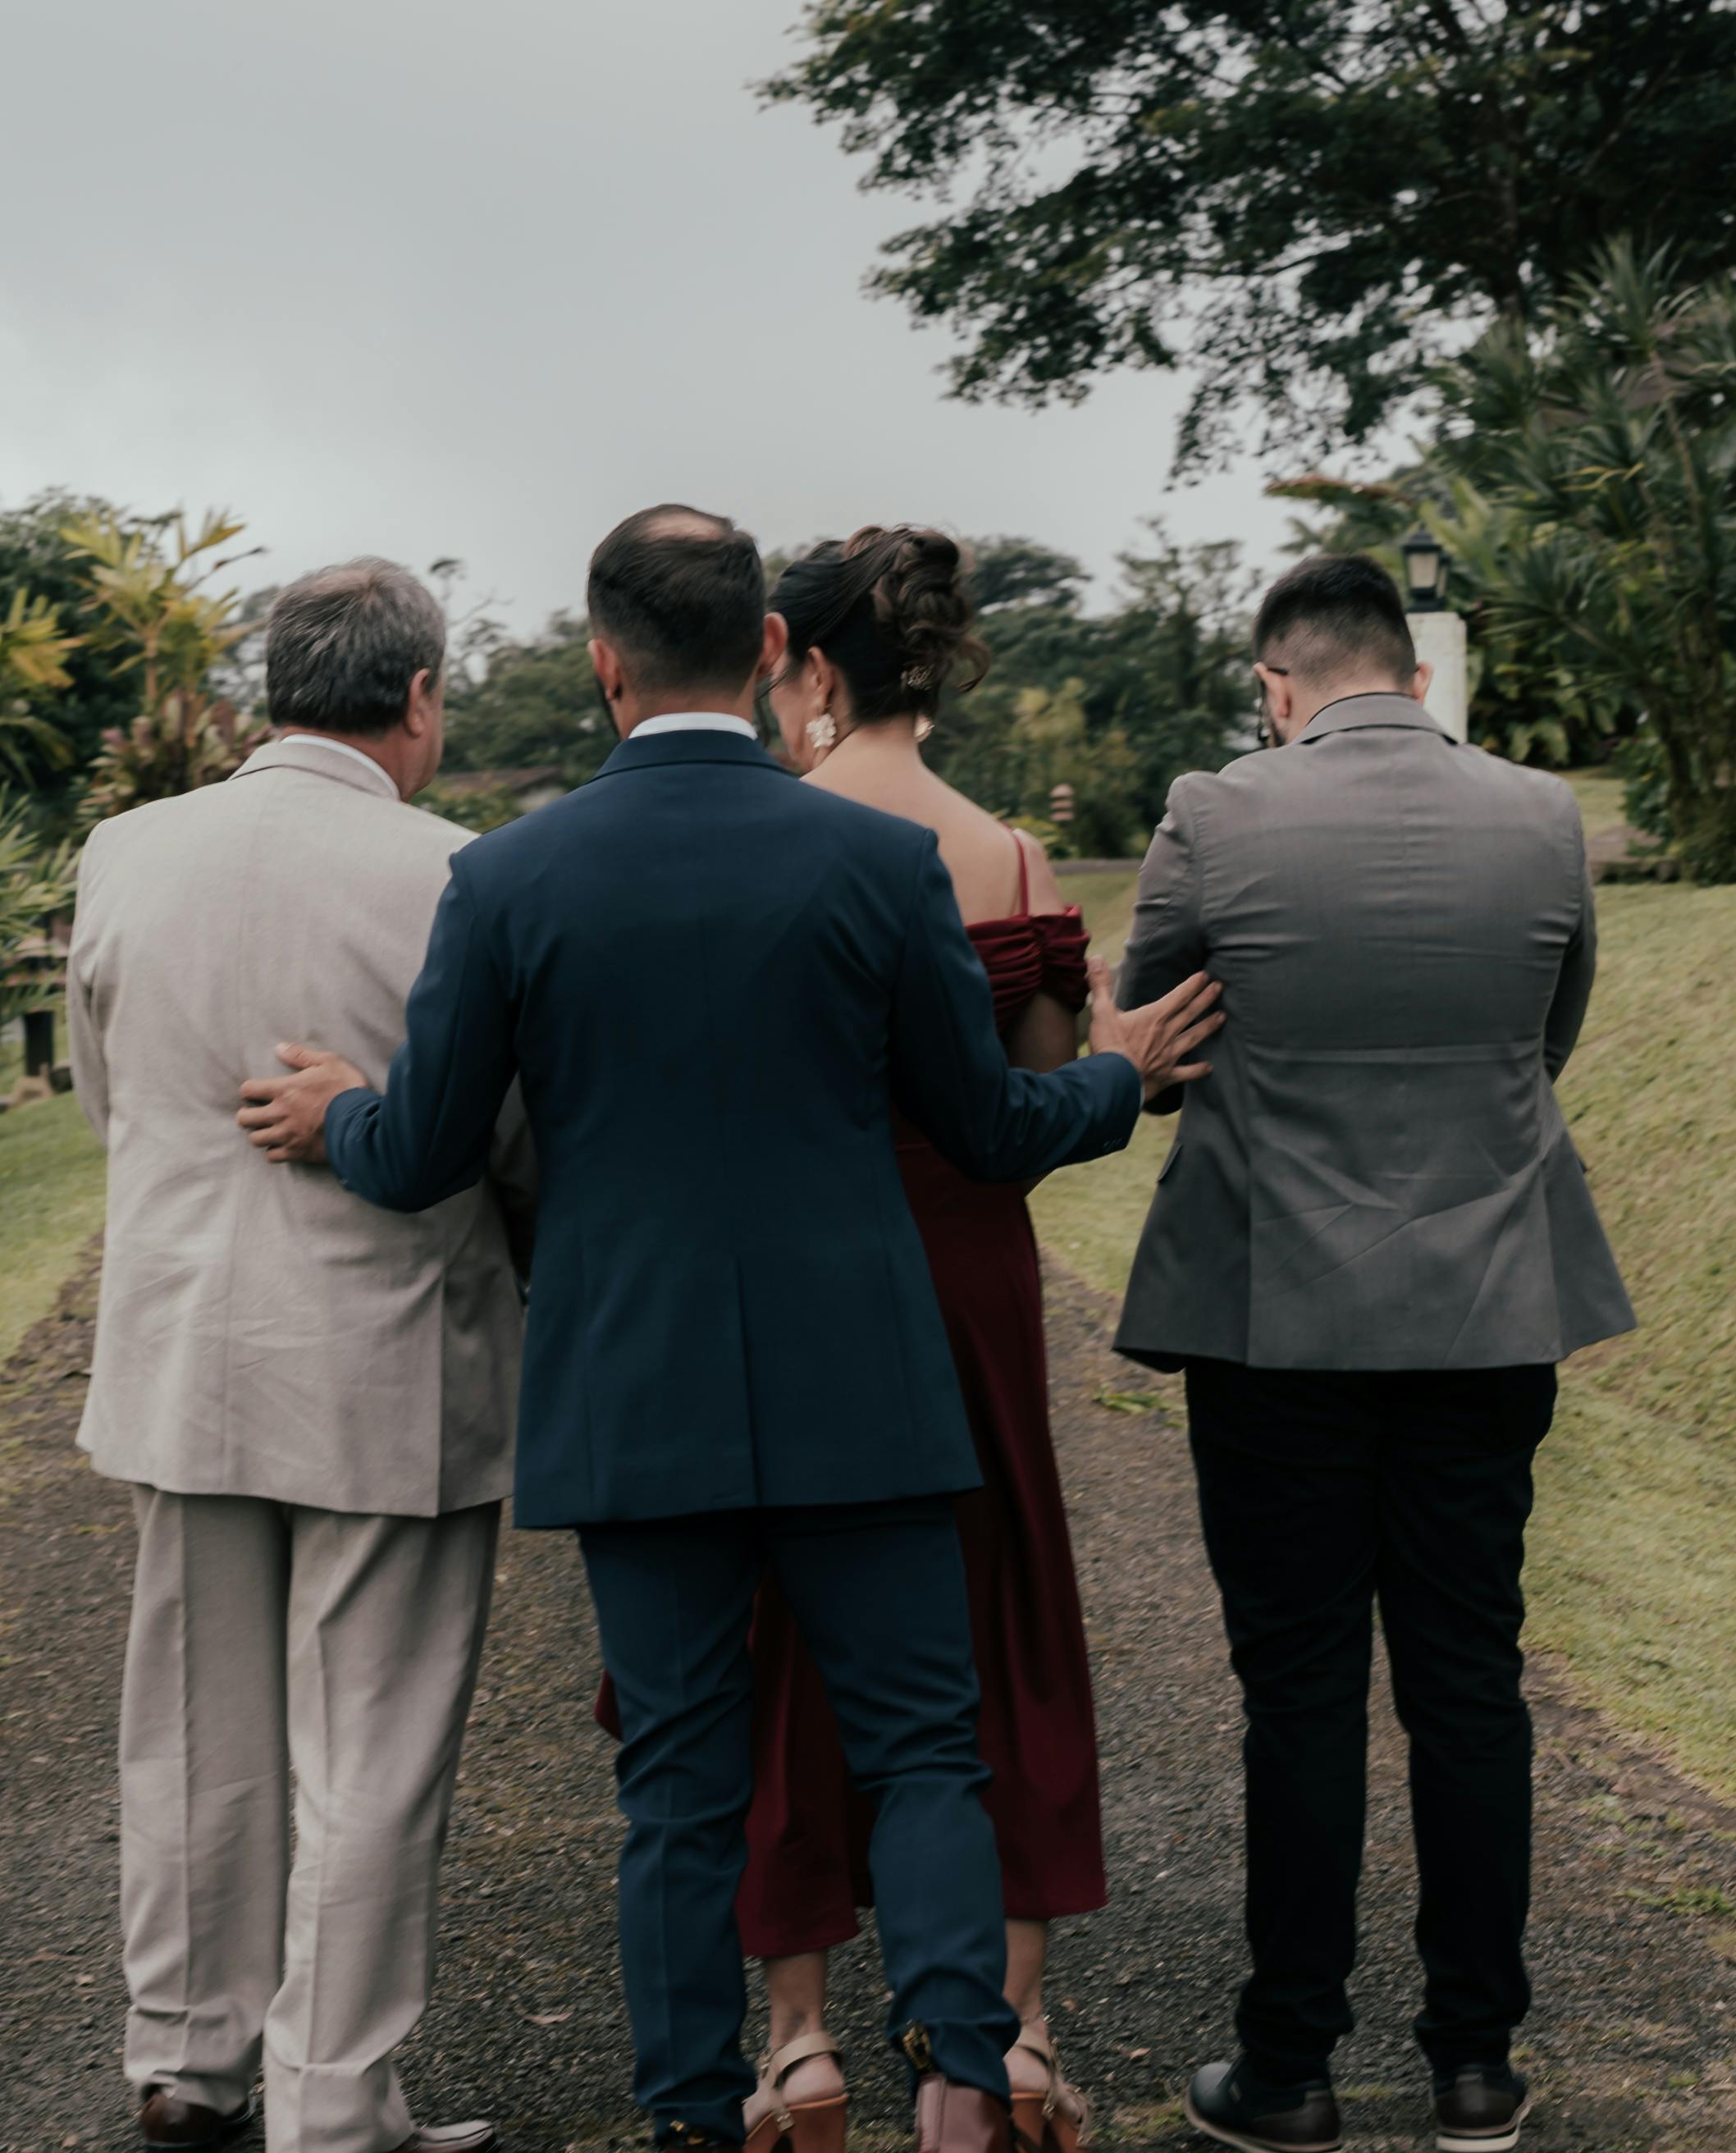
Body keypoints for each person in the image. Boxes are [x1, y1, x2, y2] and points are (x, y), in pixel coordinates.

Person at [229, 506, 1225, 2153]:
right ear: (766, 651)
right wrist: (1119, 1076)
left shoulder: (510, 874)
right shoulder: (876, 862)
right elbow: (985, 1127)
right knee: (924, 1756)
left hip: (636, 1399)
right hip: (869, 1386)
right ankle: (968, 2096)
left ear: (603, 664)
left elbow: (418, 1159)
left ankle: (699, 2116)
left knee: (679, 1791)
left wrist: (338, 1113)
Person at [1112, 555, 1633, 2153]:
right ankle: (1475, 2060)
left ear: (1277, 686)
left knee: (1304, 1688)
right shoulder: (1543, 818)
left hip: (1280, 1314)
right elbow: (1547, 1039)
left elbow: (1149, 1049)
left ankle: (1292, 2065)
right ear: (1411, 676)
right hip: (1486, 1302)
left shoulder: (1215, 813)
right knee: (1473, 1677)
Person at [67, 558, 536, 2153]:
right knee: (371, 1743)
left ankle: (187, 2056)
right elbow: (514, 1136)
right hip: (391, 1359)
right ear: (419, 695)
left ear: (276, 685)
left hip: (183, 1344)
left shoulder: (127, 849)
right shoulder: (461, 870)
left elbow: (104, 1102)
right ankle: (333, 2099)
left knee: (190, 1725)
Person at [708, 527, 1107, 2153]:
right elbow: (1036, 1097)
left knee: (783, 1629)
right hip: (966, 1277)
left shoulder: (759, 842)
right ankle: (1002, 2036)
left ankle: (796, 2041)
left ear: (800, 657)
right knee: (993, 1608)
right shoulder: (1009, 859)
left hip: (794, 1279)